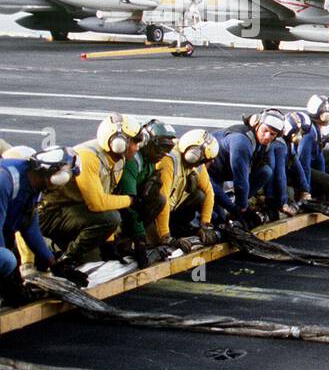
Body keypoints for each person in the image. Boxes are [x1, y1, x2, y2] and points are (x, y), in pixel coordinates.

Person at [39, 113, 146, 267]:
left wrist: (108, 243)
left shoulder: (117, 159)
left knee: (95, 259)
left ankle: (65, 250)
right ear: (119, 143)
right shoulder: (88, 157)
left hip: (73, 211)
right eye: (134, 142)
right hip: (51, 214)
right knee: (112, 217)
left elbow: (106, 197)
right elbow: (97, 204)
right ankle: (65, 258)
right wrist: (131, 200)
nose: (137, 148)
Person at [1, 146, 81, 303]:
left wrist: (54, 264)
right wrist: (8, 277)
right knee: (7, 260)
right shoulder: (5, 181)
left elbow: (30, 227)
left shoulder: (32, 186)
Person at [210, 109, 286, 227]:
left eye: (272, 134)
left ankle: (235, 204)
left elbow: (270, 171)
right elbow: (240, 182)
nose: (267, 137)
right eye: (265, 130)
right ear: (257, 125)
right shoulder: (241, 142)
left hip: (224, 170)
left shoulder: (265, 145)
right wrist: (241, 209)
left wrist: (278, 202)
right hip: (209, 171)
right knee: (218, 218)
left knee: (266, 171)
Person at [115, 120, 176, 266]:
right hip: (115, 207)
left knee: (158, 199)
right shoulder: (133, 162)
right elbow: (129, 202)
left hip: (129, 207)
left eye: (167, 149)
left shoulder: (150, 162)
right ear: (146, 142)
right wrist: (140, 239)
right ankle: (118, 241)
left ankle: (127, 241)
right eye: (160, 148)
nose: (163, 154)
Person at [154, 129, 219, 248]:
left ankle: (179, 228)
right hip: (156, 211)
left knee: (200, 195)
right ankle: (163, 233)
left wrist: (205, 224)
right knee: (161, 201)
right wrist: (166, 236)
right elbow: (163, 200)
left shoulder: (197, 164)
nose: (206, 164)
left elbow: (209, 192)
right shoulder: (168, 161)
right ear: (193, 156)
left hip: (172, 208)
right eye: (204, 161)